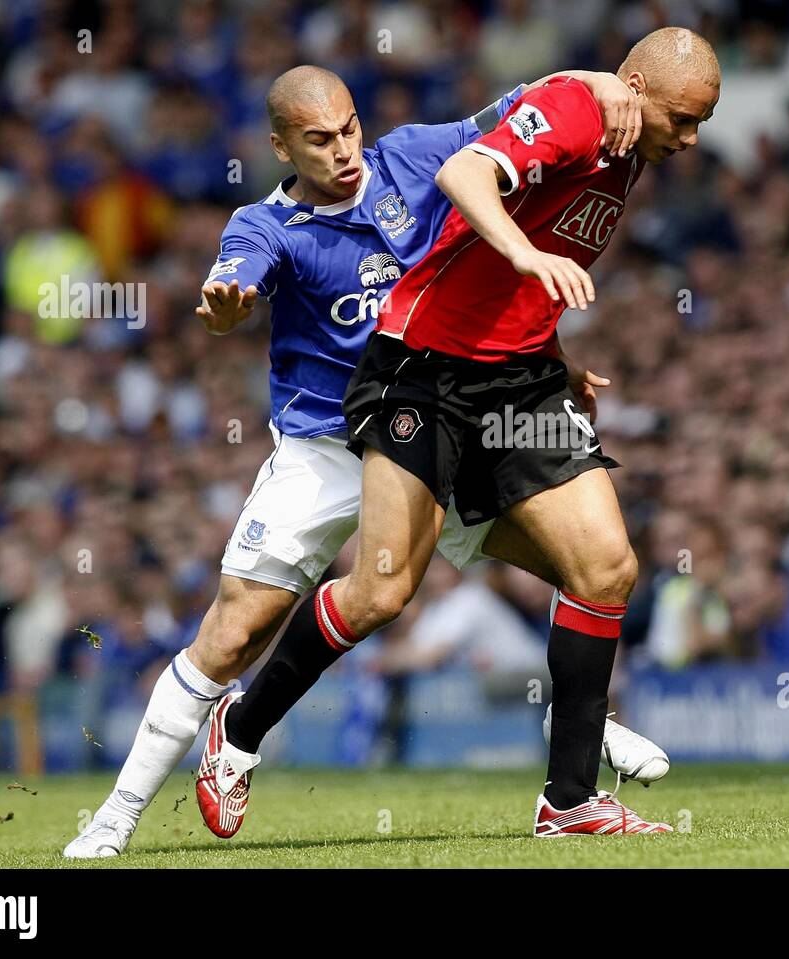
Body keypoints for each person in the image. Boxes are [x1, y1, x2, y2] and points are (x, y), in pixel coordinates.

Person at [64, 63, 661, 859]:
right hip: (326, 444)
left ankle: (578, 737)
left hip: (437, 417)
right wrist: (225, 306)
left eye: (349, 127)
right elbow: (229, 284)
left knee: (588, 566)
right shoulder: (264, 226)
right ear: (280, 144)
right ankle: (117, 815)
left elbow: (523, 107)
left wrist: (600, 76)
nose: (345, 149)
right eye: (319, 139)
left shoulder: (413, 154)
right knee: (237, 631)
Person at [198, 27, 720, 838]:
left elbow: (528, 247)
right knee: (381, 592)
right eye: (682, 119)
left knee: (605, 567)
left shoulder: (630, 144)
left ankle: (571, 800)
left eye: (700, 125)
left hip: (520, 376)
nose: (688, 140)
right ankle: (238, 731)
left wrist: (552, 350)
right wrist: (524, 257)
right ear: (636, 88)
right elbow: (464, 171)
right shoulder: (581, 113)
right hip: (424, 366)